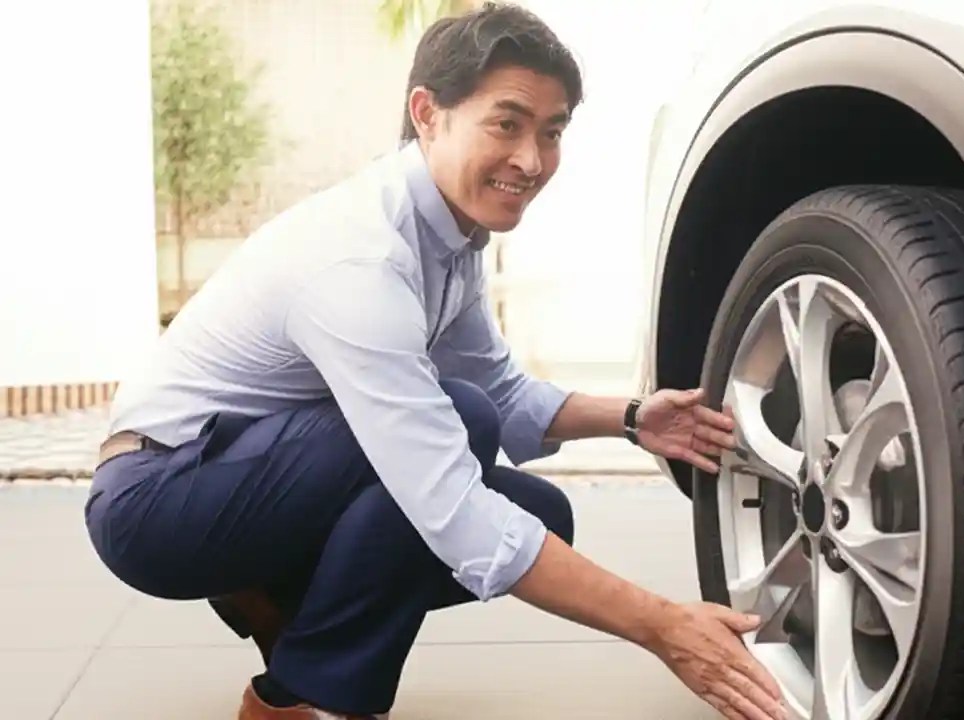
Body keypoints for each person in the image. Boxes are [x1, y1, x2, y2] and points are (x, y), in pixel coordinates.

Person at [84, 3, 787, 719]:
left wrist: (635, 419)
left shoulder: (448, 238)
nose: (532, 160)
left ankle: (281, 604)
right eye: (507, 123)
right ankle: (299, 697)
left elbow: (505, 396)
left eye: (552, 132)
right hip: (159, 498)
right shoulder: (360, 259)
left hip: (244, 473)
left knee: (538, 509)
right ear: (428, 113)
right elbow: (448, 502)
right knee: (460, 441)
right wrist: (663, 627)